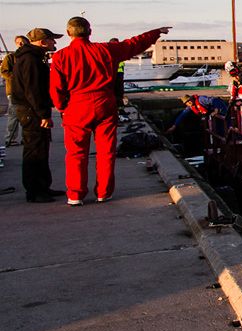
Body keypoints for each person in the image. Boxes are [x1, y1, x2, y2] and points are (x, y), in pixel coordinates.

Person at [49, 17, 171, 205]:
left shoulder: (61, 56)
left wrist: (62, 107)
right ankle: (103, 192)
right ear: (90, 32)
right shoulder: (105, 50)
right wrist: (155, 33)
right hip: (104, 102)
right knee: (106, 151)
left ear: (68, 33)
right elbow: (132, 45)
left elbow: (56, 88)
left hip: (77, 105)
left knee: (76, 153)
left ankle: (75, 194)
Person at [10, 28, 64, 203]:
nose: (54, 43)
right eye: (52, 40)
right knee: (34, 150)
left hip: (30, 109)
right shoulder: (30, 60)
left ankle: (43, 187)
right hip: (30, 111)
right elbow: (33, 90)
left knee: (41, 148)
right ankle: (34, 191)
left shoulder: (31, 57)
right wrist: (43, 115)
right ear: (42, 42)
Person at [2, 35, 30, 146]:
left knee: (27, 116)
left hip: (27, 91)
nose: (21, 44)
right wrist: (17, 78)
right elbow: (4, 72)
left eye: (23, 42)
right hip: (14, 91)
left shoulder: (29, 57)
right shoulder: (10, 57)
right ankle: (11, 138)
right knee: (13, 115)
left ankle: (26, 138)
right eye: (19, 42)